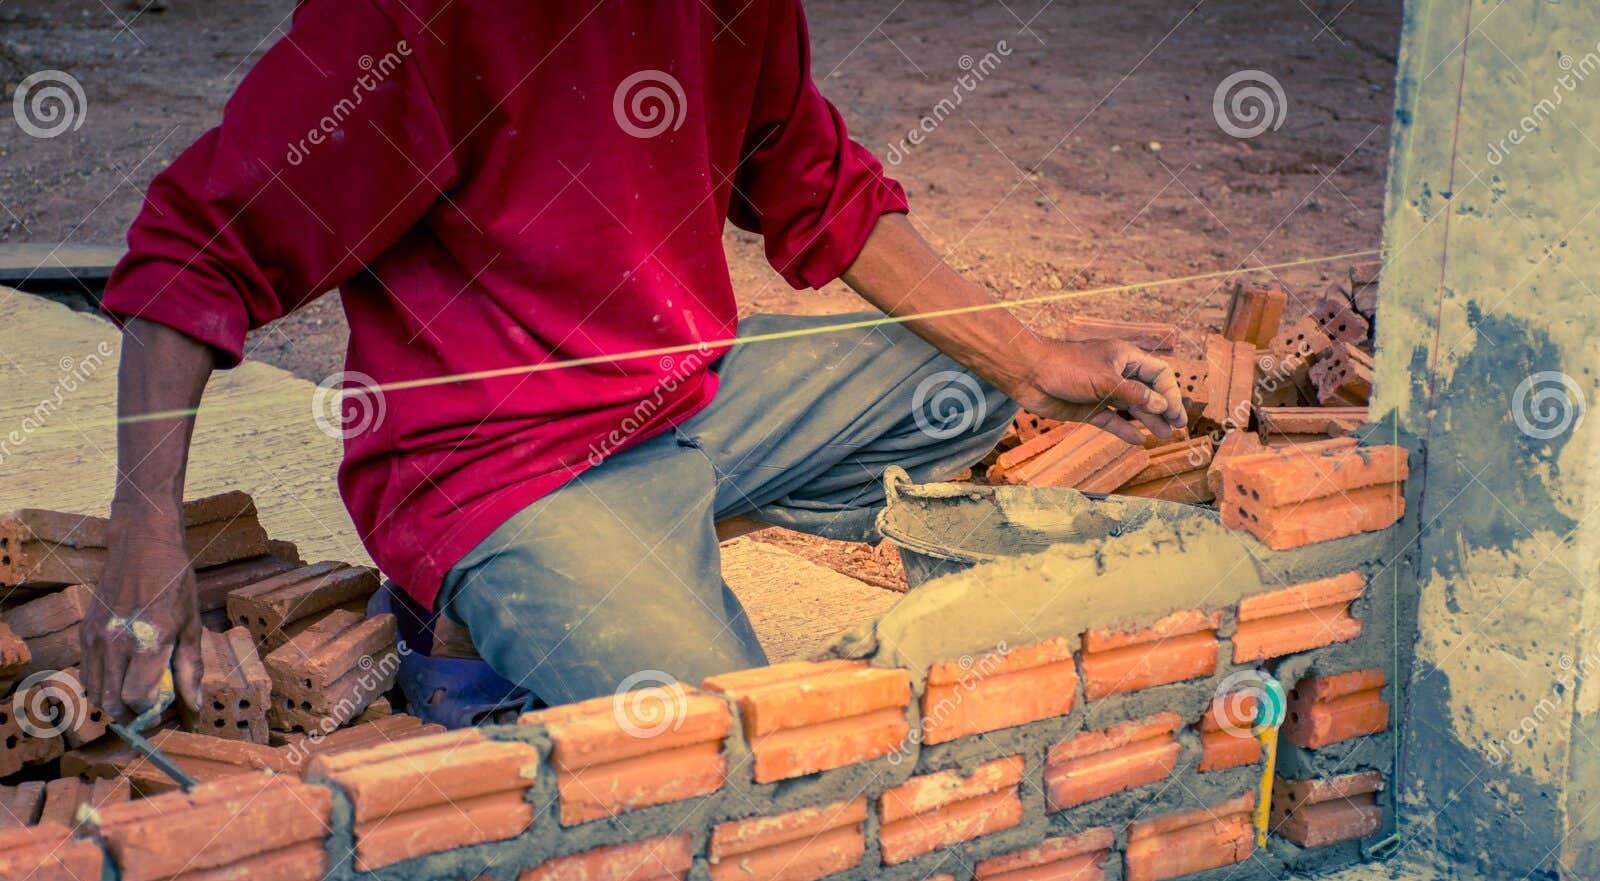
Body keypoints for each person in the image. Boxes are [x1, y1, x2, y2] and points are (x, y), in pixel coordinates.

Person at [81, 0, 1179, 720]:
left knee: (956, 391)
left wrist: (1031, 360)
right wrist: (145, 534)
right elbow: (193, 257)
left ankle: (642, 552)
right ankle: (496, 607)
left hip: (677, 400)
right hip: (494, 467)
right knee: (734, 749)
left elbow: (810, 175)